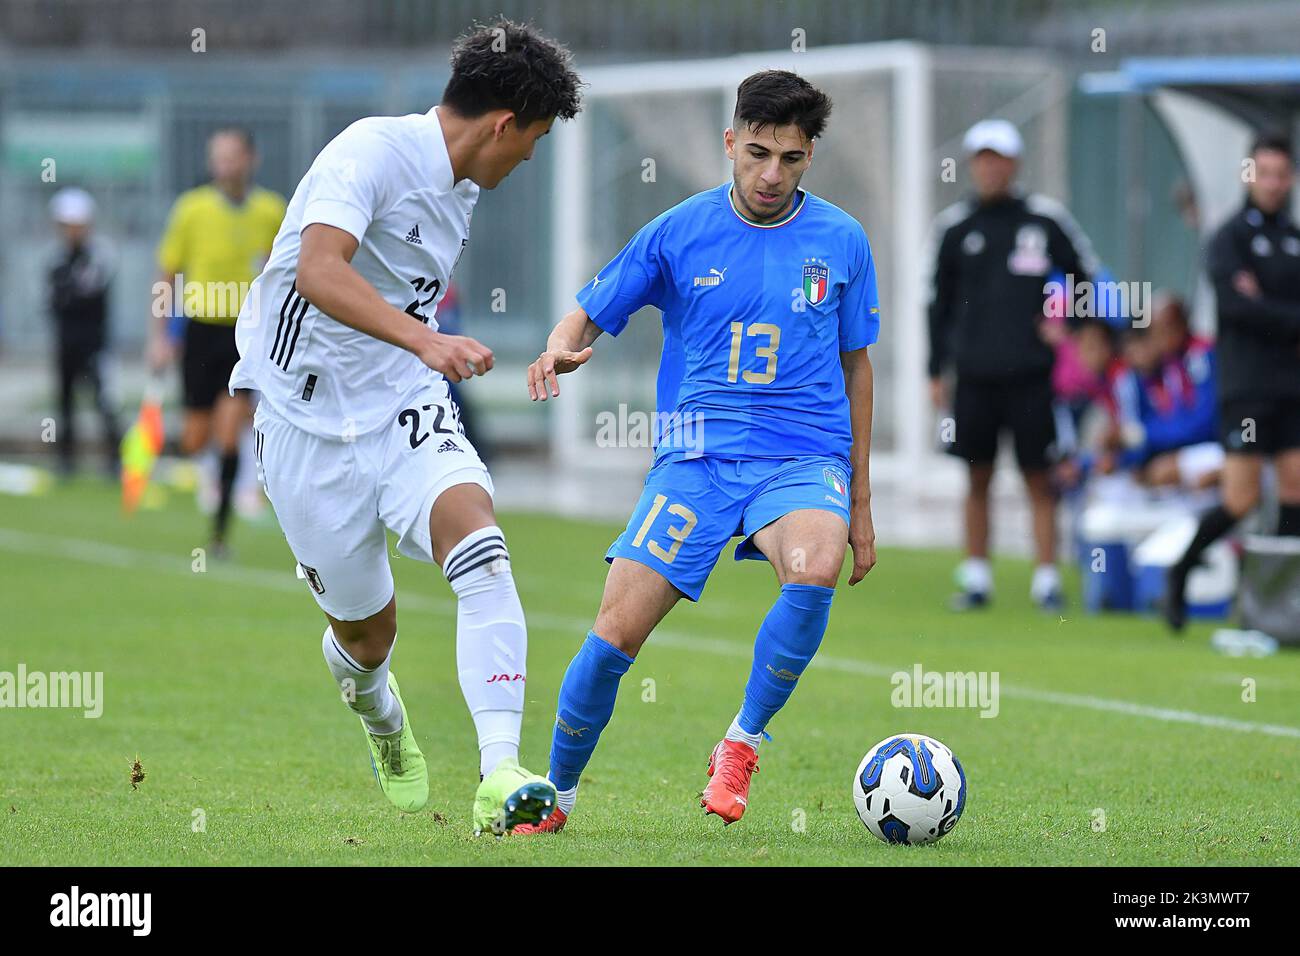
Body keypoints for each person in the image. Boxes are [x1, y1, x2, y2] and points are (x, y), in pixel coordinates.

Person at [229, 19, 582, 834]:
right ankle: (380, 714)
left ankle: (501, 774)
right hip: (301, 422)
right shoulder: (372, 153)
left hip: (401, 404)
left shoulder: (460, 187)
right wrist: (427, 337)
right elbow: (319, 270)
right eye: (530, 141)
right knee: (365, 629)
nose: (527, 159)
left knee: (483, 550)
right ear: (501, 125)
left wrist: (419, 356)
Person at [517, 70, 879, 833]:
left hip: (802, 455)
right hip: (695, 461)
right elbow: (586, 313)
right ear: (729, 143)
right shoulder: (680, 231)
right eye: (756, 154)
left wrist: (862, 505)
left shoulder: (843, 240)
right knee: (615, 636)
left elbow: (857, 369)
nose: (771, 174)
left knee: (814, 569)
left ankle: (741, 743)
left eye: (789, 157)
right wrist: (558, 349)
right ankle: (557, 793)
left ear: (811, 153)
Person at [927, 119, 1099, 612]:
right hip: (975, 376)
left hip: (1032, 375)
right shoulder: (955, 228)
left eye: (998, 158)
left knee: (1039, 476)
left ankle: (1047, 579)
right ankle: (977, 577)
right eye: (982, 158)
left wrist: (1070, 322)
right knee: (976, 476)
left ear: (1015, 163)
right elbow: (934, 302)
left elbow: (1087, 276)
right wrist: (936, 368)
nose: (990, 167)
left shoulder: (1045, 221)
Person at [1165, 131, 1300, 631]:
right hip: (1247, 387)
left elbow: (1261, 307)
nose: (1271, 182)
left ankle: (1276, 603)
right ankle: (1180, 570)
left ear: (1291, 179)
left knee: (1295, 490)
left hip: (1292, 387)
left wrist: (1269, 307)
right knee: (1241, 499)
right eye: (1263, 172)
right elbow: (1238, 307)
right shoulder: (1228, 238)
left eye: (1280, 173)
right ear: (1250, 175)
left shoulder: (1293, 239)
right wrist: (1285, 317)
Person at [150, 127, 287, 556]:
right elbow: (168, 273)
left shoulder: (270, 210)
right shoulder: (192, 209)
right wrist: (160, 335)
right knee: (195, 436)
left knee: (230, 432)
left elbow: (282, 270)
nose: (225, 164)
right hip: (200, 330)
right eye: (218, 157)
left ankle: (220, 534)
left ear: (251, 159)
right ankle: (210, 473)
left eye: (233, 156)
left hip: (242, 336)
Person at [47, 187, 121, 478]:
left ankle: (115, 459)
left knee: (105, 402)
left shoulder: (100, 256)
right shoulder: (56, 259)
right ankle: (65, 461)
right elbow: (55, 300)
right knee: (64, 402)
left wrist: (70, 294)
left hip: (95, 343)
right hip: (66, 342)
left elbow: (84, 294)